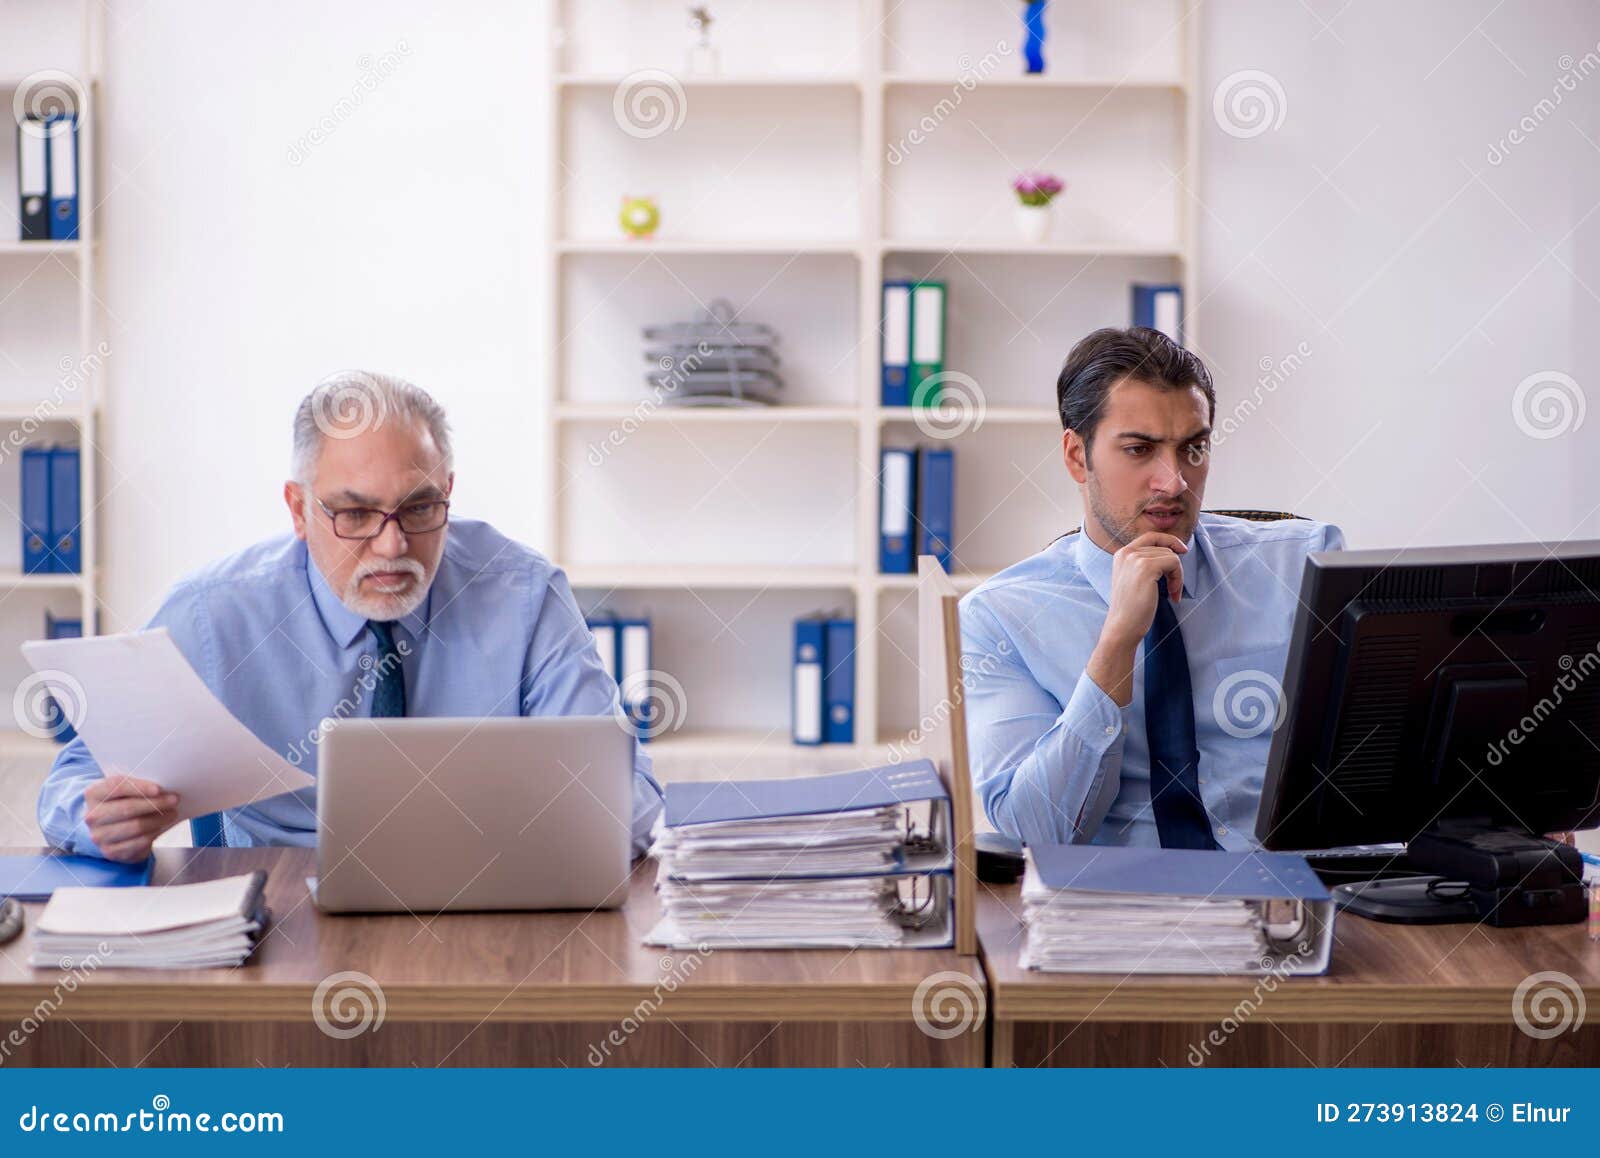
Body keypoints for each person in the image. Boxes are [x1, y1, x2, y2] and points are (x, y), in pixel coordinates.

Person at [38, 371, 662, 862]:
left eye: (420, 508)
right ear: (298, 510)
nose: (392, 546)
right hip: (281, 901)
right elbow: (73, 783)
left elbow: (628, 797)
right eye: (356, 515)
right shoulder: (215, 613)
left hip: (480, 885)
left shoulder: (524, 596)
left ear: (448, 492)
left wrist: (580, 815)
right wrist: (102, 821)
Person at [960, 327, 1344, 849]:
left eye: (1193, 448)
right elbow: (1038, 831)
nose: (1175, 481)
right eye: (1140, 449)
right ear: (1077, 456)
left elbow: (1377, 760)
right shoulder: (998, 618)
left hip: (1293, 878)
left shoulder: (1302, 563)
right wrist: (1117, 642)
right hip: (1126, 891)